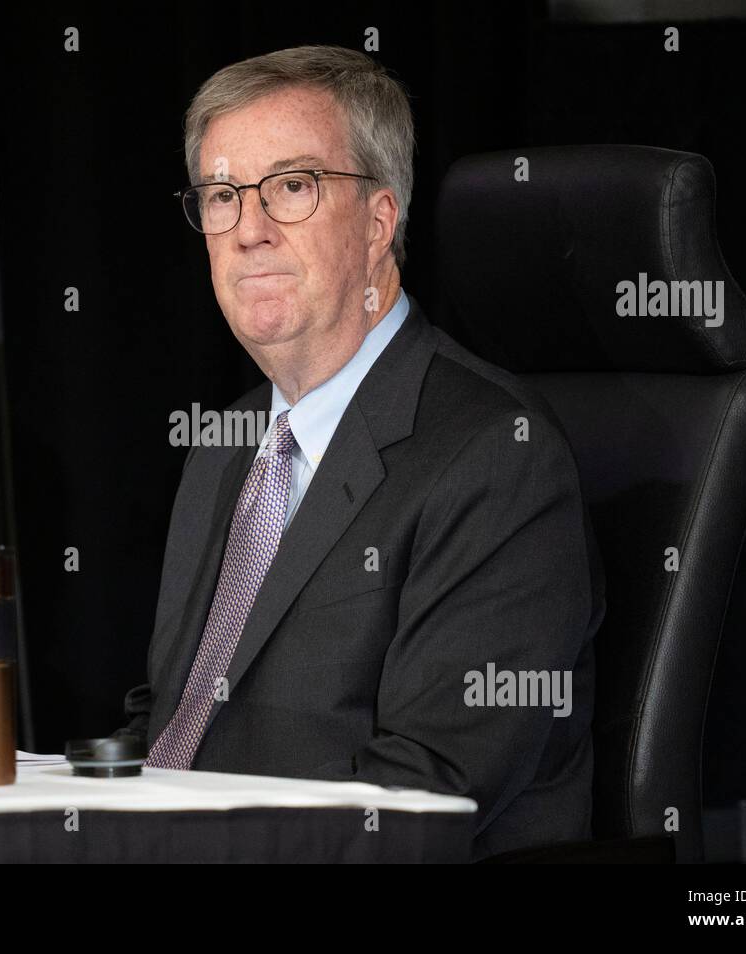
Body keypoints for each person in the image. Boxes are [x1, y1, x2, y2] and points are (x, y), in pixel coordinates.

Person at [116, 45, 605, 861]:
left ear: (380, 220)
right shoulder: (226, 447)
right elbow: (175, 721)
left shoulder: (495, 457)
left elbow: (420, 794)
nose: (249, 232)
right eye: (221, 197)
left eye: (292, 188)